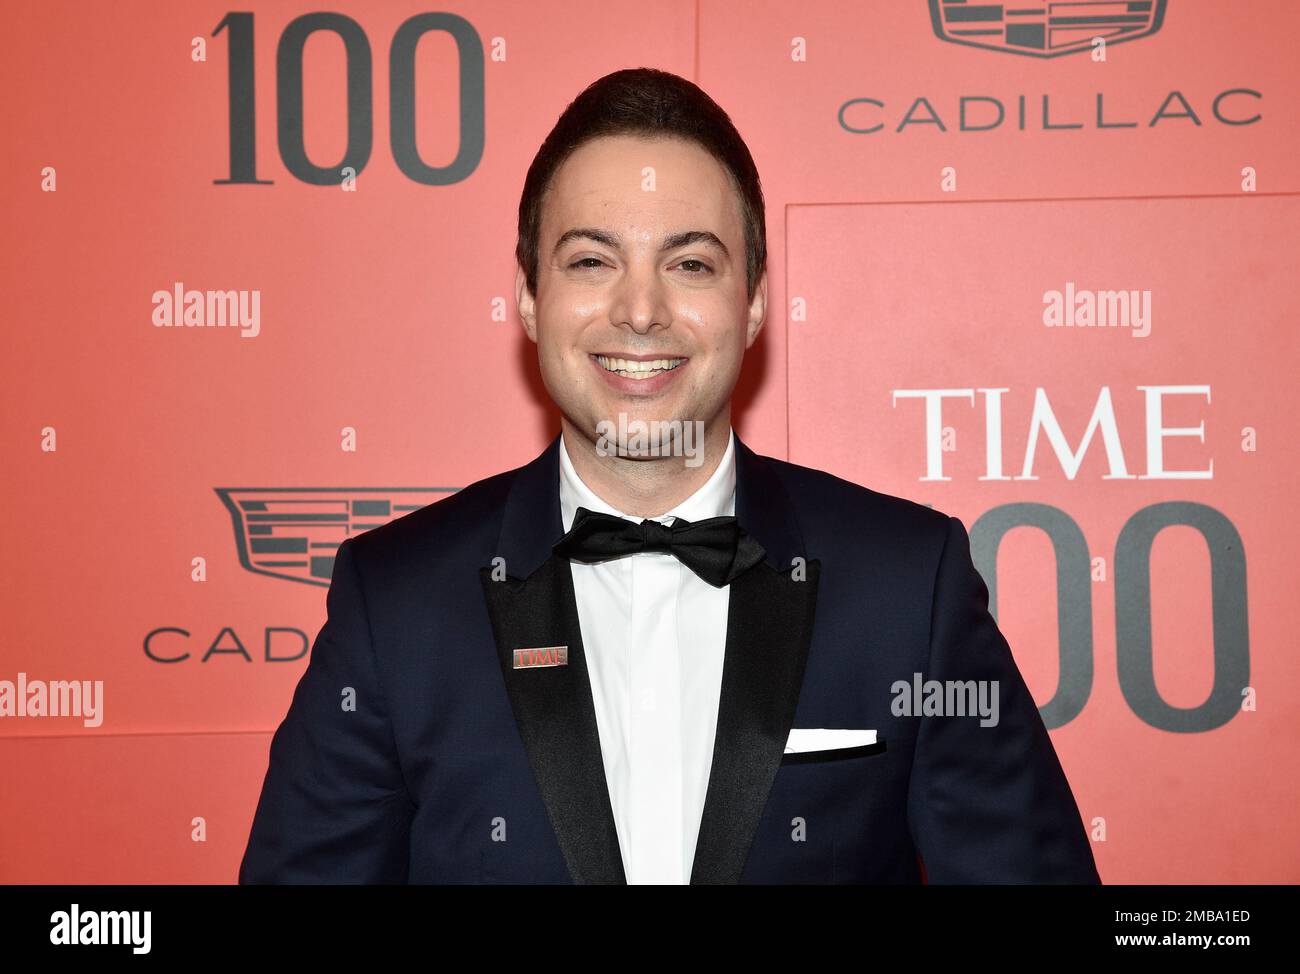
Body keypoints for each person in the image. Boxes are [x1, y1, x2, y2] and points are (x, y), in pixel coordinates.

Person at [239, 67, 1100, 885]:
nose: (641, 311)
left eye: (690, 263)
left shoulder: (909, 587)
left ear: (754, 299)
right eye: (590, 261)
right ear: (530, 299)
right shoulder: (394, 603)